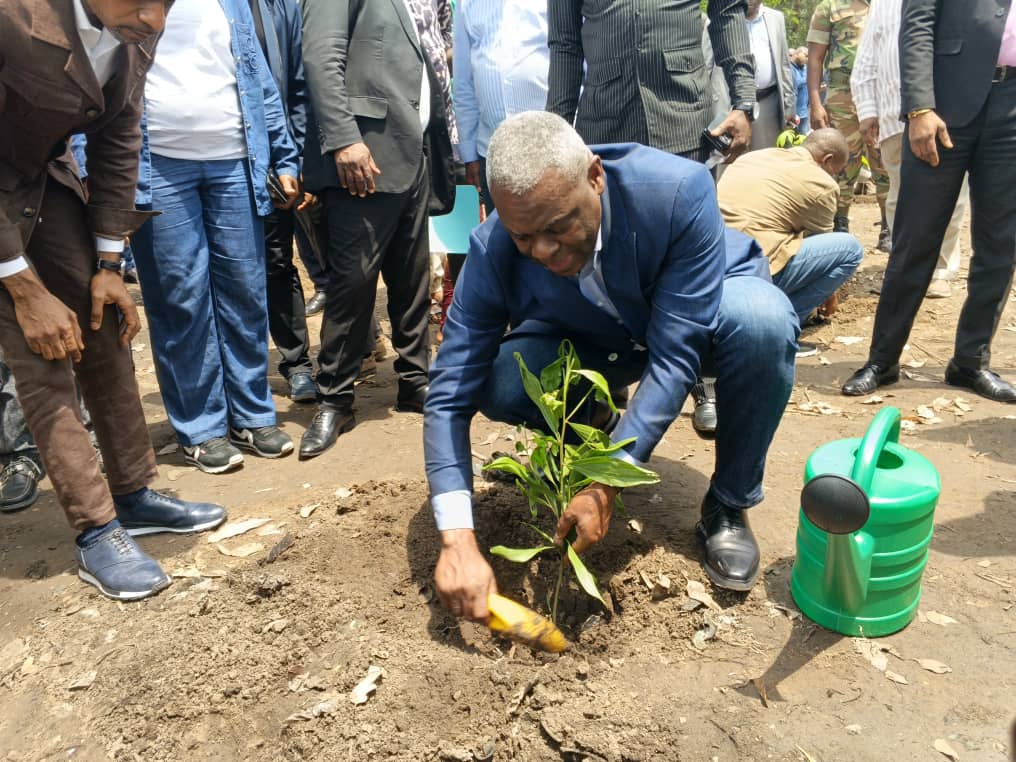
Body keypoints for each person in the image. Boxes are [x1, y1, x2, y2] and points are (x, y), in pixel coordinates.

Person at [426, 112, 798, 619]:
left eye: (558, 227)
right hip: (594, 333)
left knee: (762, 322)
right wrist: (457, 539)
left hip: (700, 313)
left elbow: (673, 357)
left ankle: (727, 504)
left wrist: (608, 483)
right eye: (523, 237)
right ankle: (602, 426)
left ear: (595, 177)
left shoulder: (674, 191)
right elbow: (449, 393)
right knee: (502, 378)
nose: (543, 250)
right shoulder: (493, 246)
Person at [0, 0, 227, 601]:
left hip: (44, 179)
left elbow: (119, 138)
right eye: (141, 2)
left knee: (103, 324)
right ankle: (97, 530)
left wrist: (107, 263)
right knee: (43, 350)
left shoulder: (130, 28)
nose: (155, 21)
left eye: (168, 4)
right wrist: (23, 287)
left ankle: (133, 495)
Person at [130, 0, 302, 474]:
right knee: (180, 297)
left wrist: (283, 155)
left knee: (244, 291)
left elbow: (257, 75)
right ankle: (201, 428)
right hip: (158, 162)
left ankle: (252, 415)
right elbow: (104, 71)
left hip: (233, 159)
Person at [299, 0, 458, 459]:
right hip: (364, 156)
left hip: (418, 151)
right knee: (353, 281)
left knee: (412, 277)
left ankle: (414, 380)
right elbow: (321, 56)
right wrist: (344, 138)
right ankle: (335, 398)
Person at [841, 0, 1016, 403]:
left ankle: (971, 361)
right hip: (943, 109)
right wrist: (920, 106)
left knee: (999, 246)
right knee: (915, 240)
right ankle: (882, 360)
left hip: (1010, 109)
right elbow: (917, 25)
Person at [850, 0, 969, 299]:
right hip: (893, 115)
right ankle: (902, 267)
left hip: (946, 113)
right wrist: (867, 111)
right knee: (899, 196)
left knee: (949, 196)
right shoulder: (882, 3)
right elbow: (866, 61)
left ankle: (940, 269)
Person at [547, 0, 758, 162]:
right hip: (605, 133)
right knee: (610, 219)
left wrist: (744, 102)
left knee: (686, 217)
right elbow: (565, 44)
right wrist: (556, 129)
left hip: (686, 127)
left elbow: (726, 12)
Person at [717, 128, 863, 354]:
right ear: (827, 160)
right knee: (850, 249)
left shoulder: (753, 157)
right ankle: (783, 329)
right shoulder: (822, 185)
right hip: (751, 272)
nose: (835, 177)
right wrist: (829, 293)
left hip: (712, 265)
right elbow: (822, 241)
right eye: (837, 171)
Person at [249, 0, 318, 403]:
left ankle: (297, 363)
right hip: (206, 160)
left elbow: (296, 86)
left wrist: (295, 155)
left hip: (273, 159)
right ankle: (240, 376)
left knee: (276, 261)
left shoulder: (276, 7)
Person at [806, 0, 891, 249]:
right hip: (842, 94)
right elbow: (815, 58)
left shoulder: (891, 4)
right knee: (841, 160)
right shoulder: (830, 7)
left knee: (884, 158)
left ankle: (889, 226)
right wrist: (815, 102)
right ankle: (839, 222)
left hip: (882, 91)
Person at [453, 0, 550, 212]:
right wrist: (469, 153)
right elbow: (463, 81)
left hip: (549, 148)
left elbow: (575, 59)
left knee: (552, 233)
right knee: (503, 237)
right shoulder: (467, 3)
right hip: (492, 151)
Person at [744, 0, 797, 151]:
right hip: (731, 105)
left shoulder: (776, 18)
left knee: (768, 157)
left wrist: (789, 104)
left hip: (767, 103)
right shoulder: (723, 19)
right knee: (733, 162)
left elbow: (784, 63)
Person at [791, 47, 811, 133]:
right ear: (796, 53)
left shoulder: (805, 68)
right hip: (792, 114)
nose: (808, 59)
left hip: (804, 113)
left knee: (803, 140)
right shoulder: (789, 69)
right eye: (806, 56)